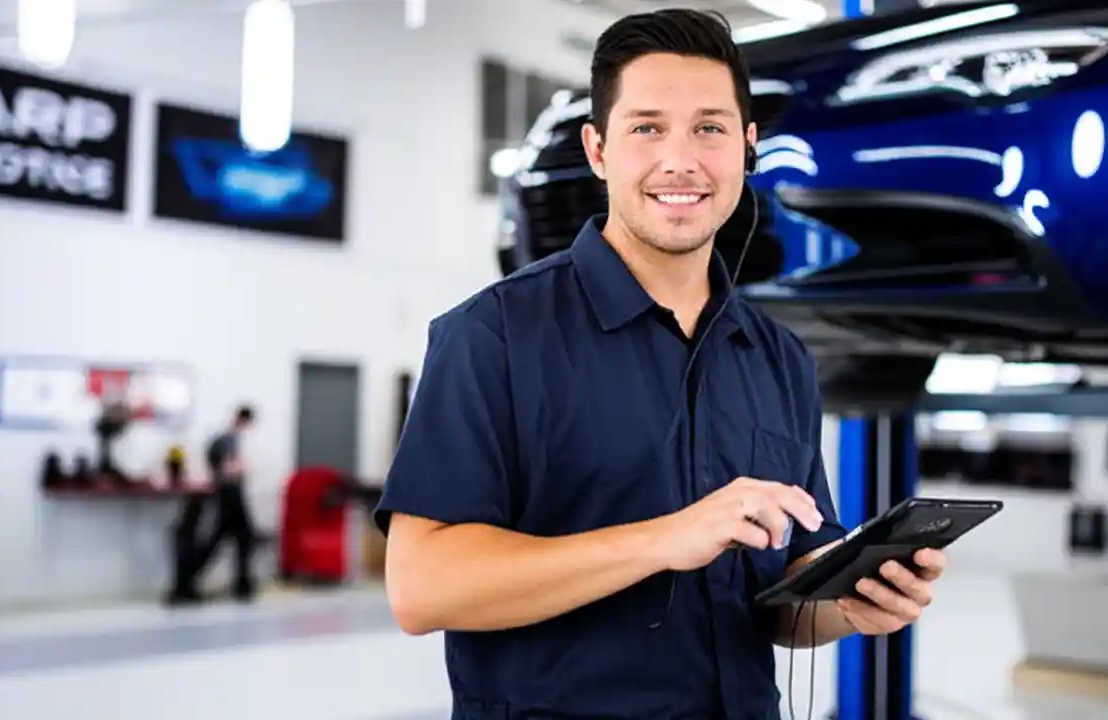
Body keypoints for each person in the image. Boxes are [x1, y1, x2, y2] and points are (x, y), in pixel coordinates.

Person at [374, 9, 950, 719]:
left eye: (709, 128)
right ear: (598, 150)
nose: (681, 159)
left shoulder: (780, 359)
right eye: (647, 127)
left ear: (747, 148)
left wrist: (852, 603)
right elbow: (423, 588)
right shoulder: (493, 336)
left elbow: (780, 603)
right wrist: (665, 538)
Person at [183, 405, 260, 602]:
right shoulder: (228, 439)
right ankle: (188, 580)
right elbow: (228, 469)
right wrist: (241, 469)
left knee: (241, 539)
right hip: (229, 494)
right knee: (224, 540)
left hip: (227, 493)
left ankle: (242, 583)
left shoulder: (225, 438)